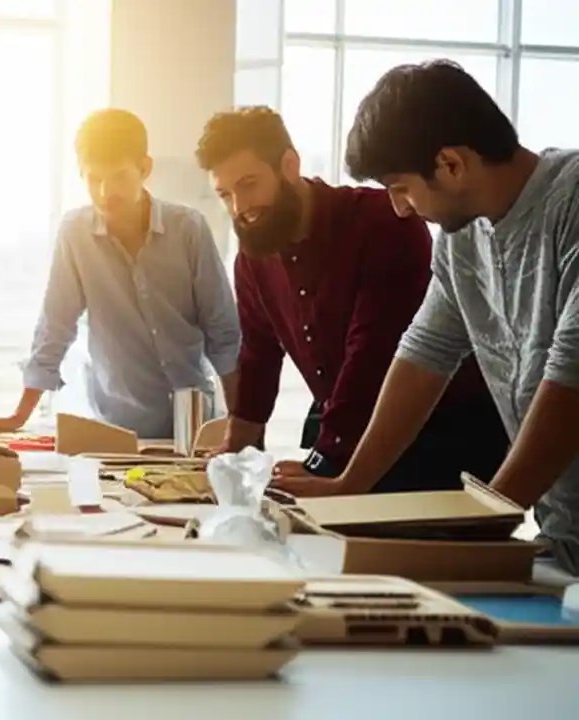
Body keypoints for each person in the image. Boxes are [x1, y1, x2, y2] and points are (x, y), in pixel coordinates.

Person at [277, 59, 579, 573]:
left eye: (400, 187)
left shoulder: (570, 203)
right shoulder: (462, 239)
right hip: (563, 536)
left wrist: (486, 525)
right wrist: (350, 485)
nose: (399, 208)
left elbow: (572, 379)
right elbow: (424, 355)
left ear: (451, 164)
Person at [195, 106, 507, 492]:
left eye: (248, 184)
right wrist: (234, 449)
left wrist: (326, 462)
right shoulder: (252, 257)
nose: (239, 208)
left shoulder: (384, 221)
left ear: (289, 165)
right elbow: (259, 355)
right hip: (349, 442)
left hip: (445, 443)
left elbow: (371, 353)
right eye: (225, 194)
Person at [0, 109, 240, 438]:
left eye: (119, 177)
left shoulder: (188, 229)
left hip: (193, 424)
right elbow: (55, 326)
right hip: (116, 427)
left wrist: (239, 423)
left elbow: (222, 331)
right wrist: (19, 416)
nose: (105, 191)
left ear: (144, 168)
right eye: (94, 179)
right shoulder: (75, 234)